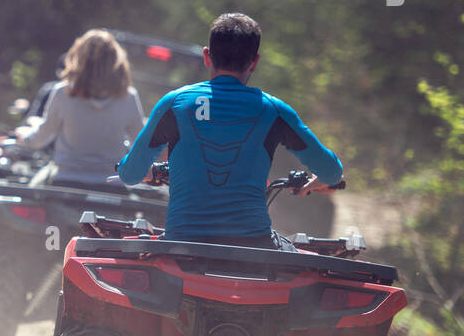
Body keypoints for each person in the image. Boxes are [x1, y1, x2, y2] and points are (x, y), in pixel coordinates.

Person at [116, 13, 342, 249]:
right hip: (253, 246)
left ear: (207, 56)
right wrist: (315, 182)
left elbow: (130, 175)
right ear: (254, 62)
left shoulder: (175, 103)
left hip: (182, 242)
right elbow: (332, 171)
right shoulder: (274, 110)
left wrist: (137, 168)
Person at [15, 29, 145, 187]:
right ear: (116, 61)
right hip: (111, 185)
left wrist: (24, 135)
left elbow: (41, 138)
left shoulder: (63, 93)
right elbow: (141, 145)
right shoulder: (128, 97)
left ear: (79, 58)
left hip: (66, 181)